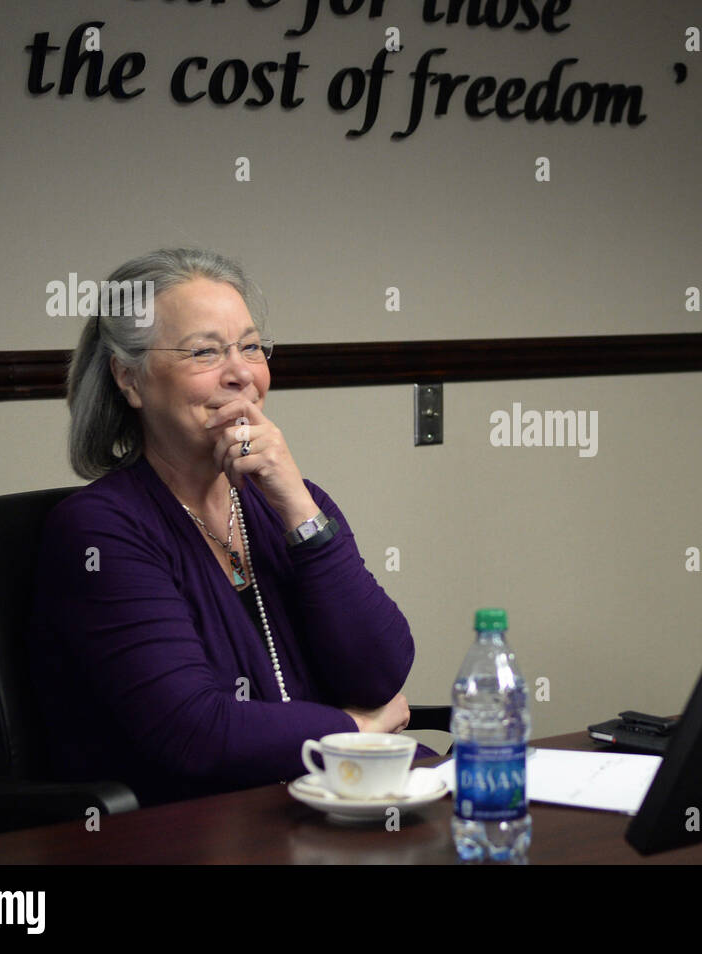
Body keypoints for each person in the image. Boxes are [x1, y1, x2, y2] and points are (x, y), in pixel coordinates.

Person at [28, 248, 423, 806]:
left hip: (326, 802)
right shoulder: (98, 532)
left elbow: (380, 674)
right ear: (129, 379)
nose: (241, 373)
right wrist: (357, 731)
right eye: (205, 351)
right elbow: (198, 734)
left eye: (251, 347)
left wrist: (298, 507)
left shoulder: (288, 504)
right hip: (197, 831)